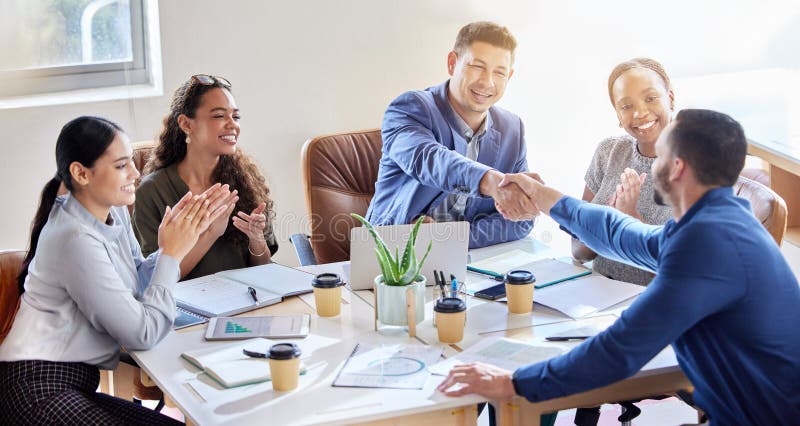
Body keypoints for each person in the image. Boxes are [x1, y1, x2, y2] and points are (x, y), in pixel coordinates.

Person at [438, 109, 800, 424]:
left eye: (659, 156)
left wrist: (512, 382)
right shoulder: (721, 221)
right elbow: (620, 232)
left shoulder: (707, 243)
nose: (652, 163)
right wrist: (542, 197)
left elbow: (620, 349)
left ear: (676, 168)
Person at [0, 116, 230, 424]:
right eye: (122, 165)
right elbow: (141, 334)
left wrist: (173, 246)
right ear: (80, 173)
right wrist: (171, 256)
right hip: (37, 394)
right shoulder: (73, 238)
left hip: (72, 386)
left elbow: (134, 283)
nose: (136, 172)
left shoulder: (113, 208)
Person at [366, 21, 539, 249]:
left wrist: (450, 239)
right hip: (390, 256)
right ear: (452, 63)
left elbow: (520, 220)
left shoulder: (512, 129)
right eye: (477, 66)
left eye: (499, 72)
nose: (487, 82)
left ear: (509, 76)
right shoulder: (409, 109)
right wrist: (491, 181)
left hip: (468, 267)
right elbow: (430, 160)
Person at [134, 74, 277, 280]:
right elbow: (157, 280)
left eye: (235, 117)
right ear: (186, 124)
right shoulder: (153, 191)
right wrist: (210, 233)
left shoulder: (246, 180)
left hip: (247, 303)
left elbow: (263, 270)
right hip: (186, 310)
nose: (232, 125)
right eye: (219, 116)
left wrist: (256, 239)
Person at [573, 58, 674, 286]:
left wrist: (630, 223)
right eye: (626, 106)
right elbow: (579, 251)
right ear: (618, 115)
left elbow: (683, 273)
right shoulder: (609, 152)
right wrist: (605, 219)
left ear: (670, 99)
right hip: (596, 296)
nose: (639, 113)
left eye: (650, 98)